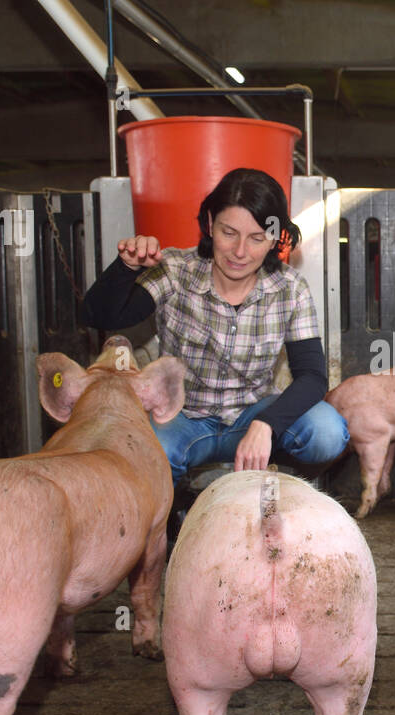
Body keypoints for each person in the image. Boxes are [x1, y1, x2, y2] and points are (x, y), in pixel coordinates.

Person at [81, 167, 349, 485]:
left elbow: (313, 376)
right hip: (182, 418)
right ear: (210, 224)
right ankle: (176, 513)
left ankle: (280, 487)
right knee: (144, 453)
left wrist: (266, 424)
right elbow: (98, 316)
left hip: (253, 414)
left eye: (256, 238)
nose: (240, 252)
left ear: (274, 238)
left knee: (327, 432)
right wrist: (126, 268)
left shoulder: (290, 288)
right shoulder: (175, 270)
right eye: (229, 233)